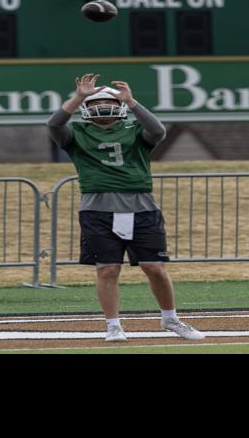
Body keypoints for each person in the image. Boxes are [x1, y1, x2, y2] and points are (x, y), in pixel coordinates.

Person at [48, 74, 204, 343]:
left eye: (108, 102)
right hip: (97, 208)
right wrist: (78, 97)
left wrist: (132, 102)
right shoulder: (77, 133)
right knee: (107, 269)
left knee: (154, 267)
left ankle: (170, 319)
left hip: (141, 206)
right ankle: (113, 326)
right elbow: (54, 124)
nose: (102, 107)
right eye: (95, 103)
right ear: (87, 107)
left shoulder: (133, 130)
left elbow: (158, 131)